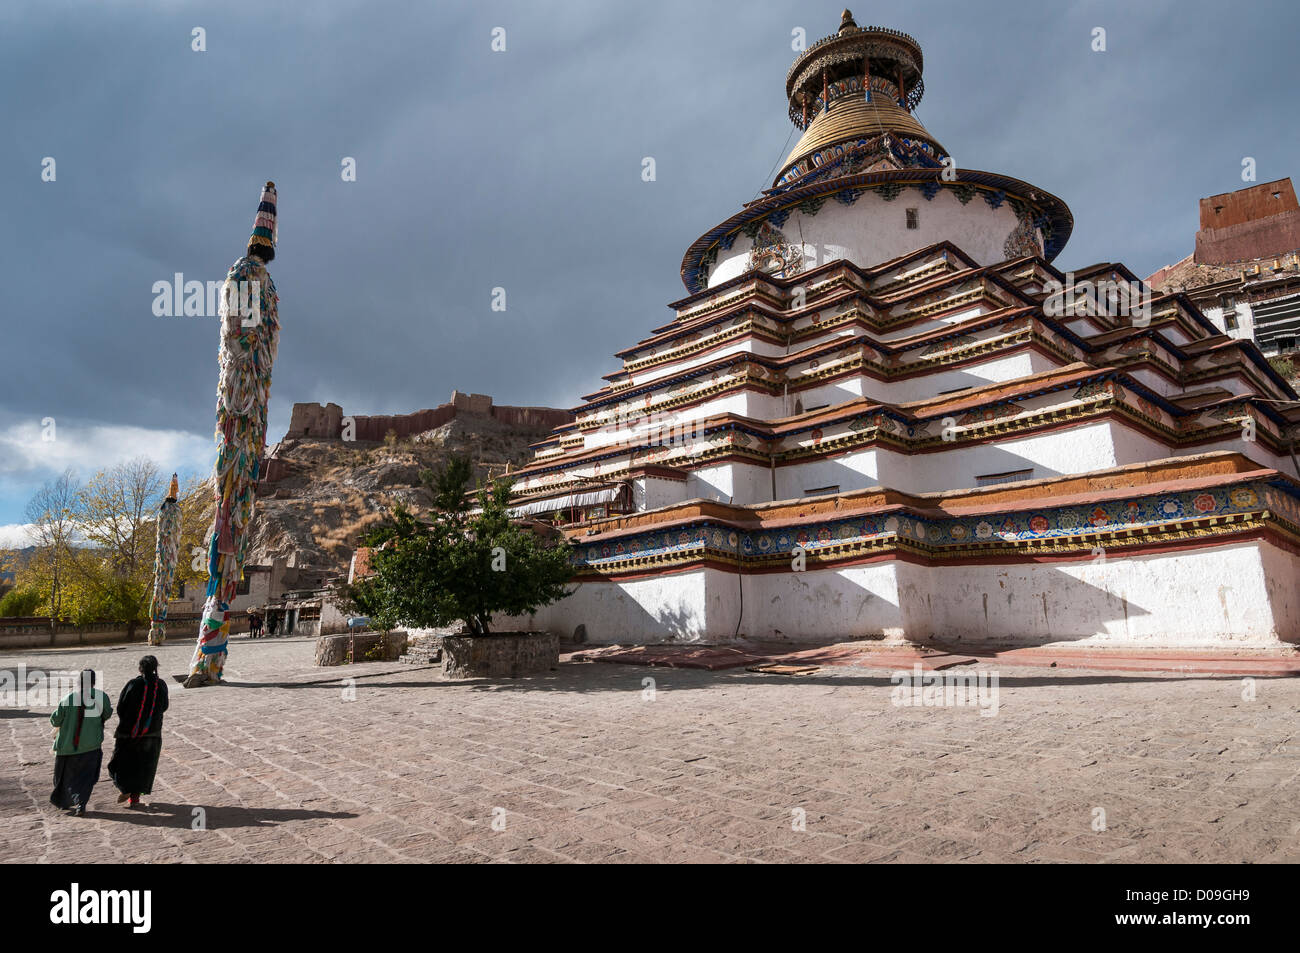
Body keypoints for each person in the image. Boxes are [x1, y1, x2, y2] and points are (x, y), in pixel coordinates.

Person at [107, 655, 169, 808]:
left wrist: (131, 722)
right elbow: (165, 706)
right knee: (142, 767)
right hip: (152, 733)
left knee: (120, 763)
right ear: (155, 668)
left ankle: (125, 789)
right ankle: (134, 797)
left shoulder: (133, 684)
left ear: (140, 668)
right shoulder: (160, 685)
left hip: (129, 733)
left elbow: (121, 707)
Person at [49, 669, 112, 816]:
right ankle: (81, 803)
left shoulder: (68, 698)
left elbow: (55, 720)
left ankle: (63, 801)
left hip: (68, 747)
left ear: (79, 681)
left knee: (63, 777)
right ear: (94, 682)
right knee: (86, 778)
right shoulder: (101, 697)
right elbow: (107, 714)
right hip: (91, 745)